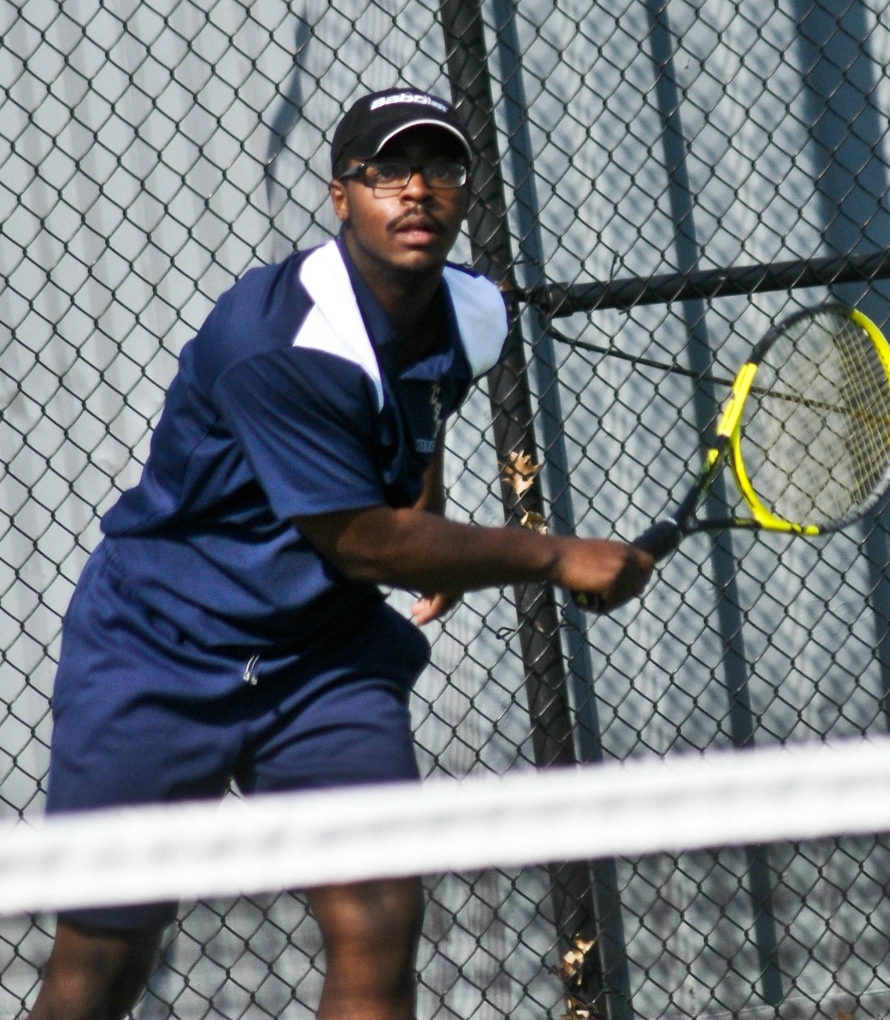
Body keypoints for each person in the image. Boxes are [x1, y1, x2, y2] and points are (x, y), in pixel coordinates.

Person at [28, 88, 653, 1020]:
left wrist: (425, 503)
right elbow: (364, 544)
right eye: (388, 172)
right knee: (104, 953)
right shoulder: (281, 342)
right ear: (340, 196)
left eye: (442, 170)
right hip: (156, 648)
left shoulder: (474, 312)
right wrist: (551, 556)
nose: (417, 192)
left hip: (320, 659)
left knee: (378, 915)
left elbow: (424, 412)